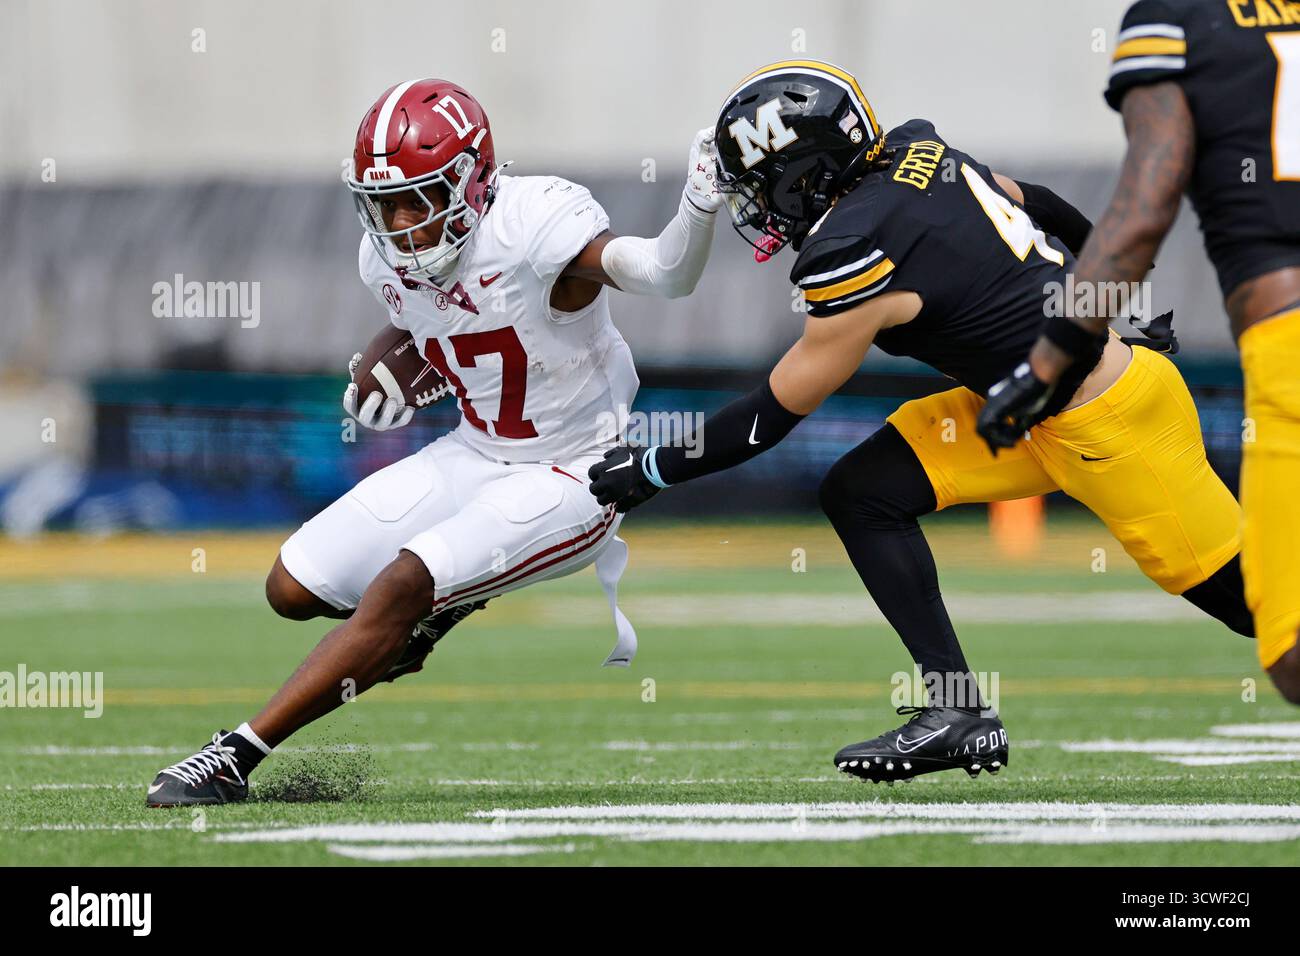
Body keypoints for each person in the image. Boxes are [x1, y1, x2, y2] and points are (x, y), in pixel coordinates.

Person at [589, 59, 1252, 783]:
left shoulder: (852, 251)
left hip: (1109, 423)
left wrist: (655, 465)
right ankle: (960, 711)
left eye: (759, 186)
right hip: (1029, 410)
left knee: (1261, 611)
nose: (758, 207)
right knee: (863, 491)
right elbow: (1048, 206)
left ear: (803, 171)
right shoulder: (915, 152)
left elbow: (770, 416)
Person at [146, 77, 723, 806]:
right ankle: (424, 615)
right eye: (383, 204)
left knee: (401, 585)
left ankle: (233, 757)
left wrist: (698, 204)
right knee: (291, 587)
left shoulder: (535, 224)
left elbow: (667, 275)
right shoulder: (380, 259)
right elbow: (440, 323)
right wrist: (390, 374)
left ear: (473, 182)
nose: (400, 224)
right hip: (476, 451)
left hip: (577, 471)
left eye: (418, 198)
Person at [978, 0, 1300, 704]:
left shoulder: (1177, 19)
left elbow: (1141, 213)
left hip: (1288, 341)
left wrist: (1050, 358)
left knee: (1288, 638)